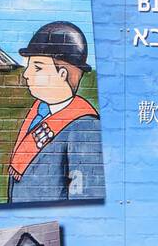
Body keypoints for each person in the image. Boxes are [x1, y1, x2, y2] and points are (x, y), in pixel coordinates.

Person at [7, 21, 105, 203]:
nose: (26, 74)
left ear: (62, 74)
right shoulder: (39, 112)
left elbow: (86, 195)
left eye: (37, 67)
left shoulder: (85, 127)